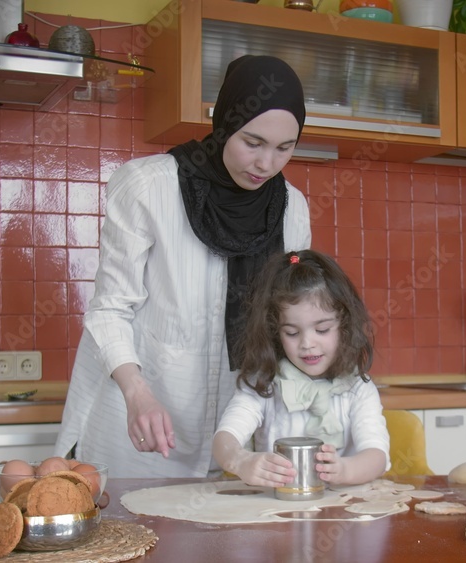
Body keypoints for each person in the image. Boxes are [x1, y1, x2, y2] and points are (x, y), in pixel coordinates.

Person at [54, 55, 311, 478]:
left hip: (228, 431)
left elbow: (290, 317)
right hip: (135, 418)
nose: (267, 164)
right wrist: (138, 394)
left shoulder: (291, 210)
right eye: (253, 142)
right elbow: (110, 308)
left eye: (285, 148)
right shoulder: (147, 186)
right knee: (125, 537)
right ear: (225, 123)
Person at [213, 249, 390, 488]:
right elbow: (224, 439)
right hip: (276, 513)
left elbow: (376, 457)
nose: (307, 343)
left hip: (344, 512)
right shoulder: (264, 384)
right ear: (276, 333)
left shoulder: (358, 388)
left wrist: (345, 470)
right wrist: (241, 460)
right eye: (293, 333)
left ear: (344, 325)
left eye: (322, 329)